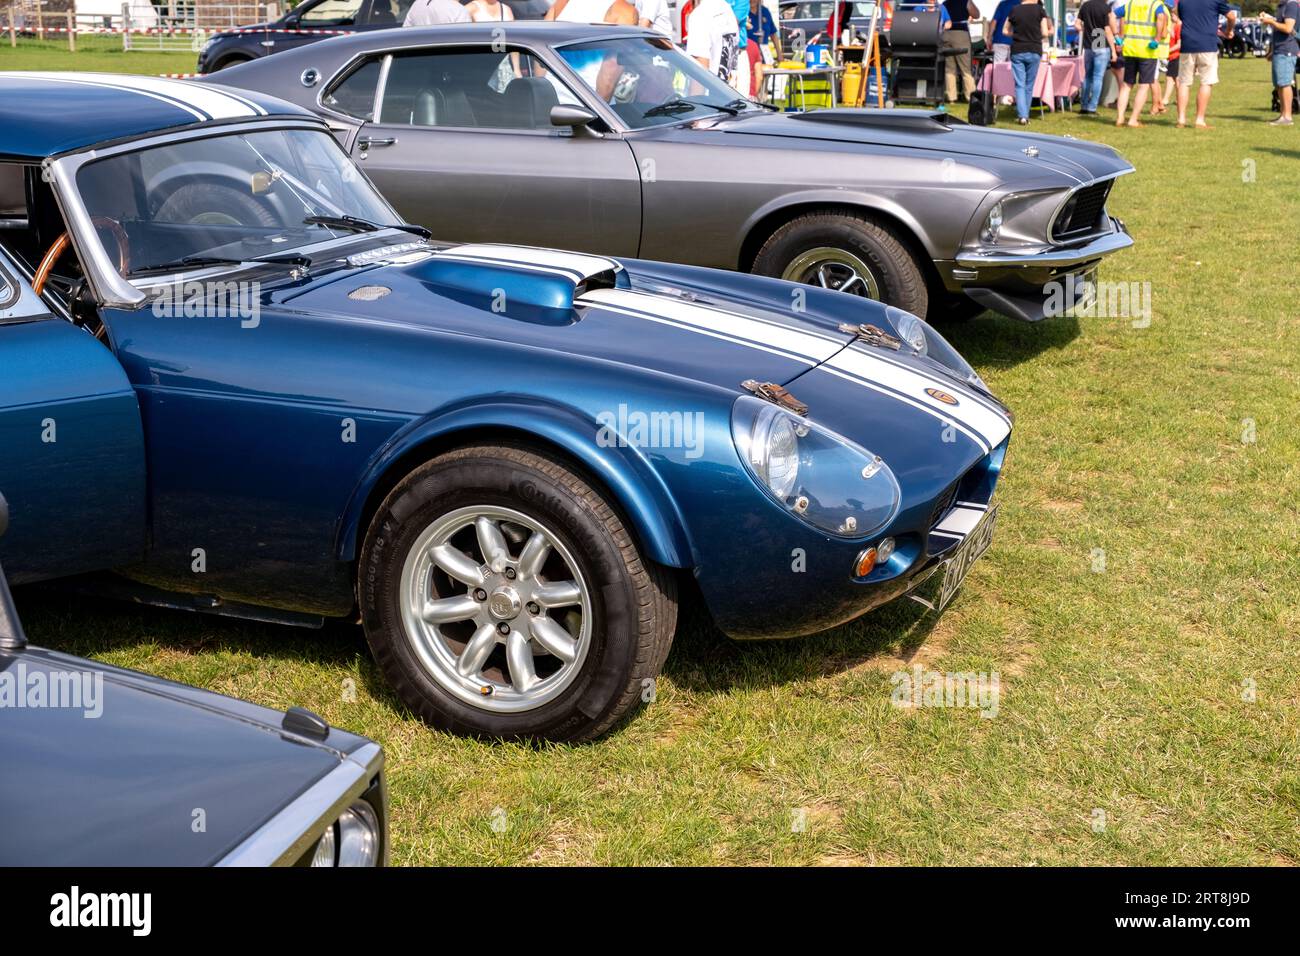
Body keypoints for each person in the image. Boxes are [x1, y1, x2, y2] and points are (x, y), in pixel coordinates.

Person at [1174, 0, 1234, 128]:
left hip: (1187, 43)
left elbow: (1181, 17)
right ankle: (1199, 120)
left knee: (1184, 82)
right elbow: (1231, 16)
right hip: (1207, 43)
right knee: (1206, 82)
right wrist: (1228, 30)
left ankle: (1181, 119)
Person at [1113, 0, 1169, 127]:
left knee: (1127, 85)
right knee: (1143, 86)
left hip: (1131, 49)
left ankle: (1120, 117)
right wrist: (1157, 38)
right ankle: (1133, 119)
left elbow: (1111, 15)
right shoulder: (1156, 5)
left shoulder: (1131, 4)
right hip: (1148, 50)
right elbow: (1161, 17)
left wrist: (1117, 36)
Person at [1004, 0, 1049, 124]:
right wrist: (1034, 36)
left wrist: (1017, 34)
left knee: (1020, 84)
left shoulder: (1014, 10)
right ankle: (1025, 115)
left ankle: (1023, 115)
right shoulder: (1040, 10)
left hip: (1017, 49)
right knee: (1029, 85)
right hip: (1034, 49)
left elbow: (1005, 31)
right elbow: (1045, 32)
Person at [686, 0, 741, 85]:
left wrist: (695, 97)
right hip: (729, 94)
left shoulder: (700, 15)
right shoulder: (727, 10)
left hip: (710, 94)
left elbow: (700, 74)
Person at [1077, 0, 1117, 113]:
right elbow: (1108, 29)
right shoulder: (1105, 8)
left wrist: (1084, 31)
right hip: (1101, 45)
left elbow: (1077, 24)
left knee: (1087, 77)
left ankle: (1084, 106)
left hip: (1089, 46)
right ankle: (1092, 107)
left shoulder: (1085, 6)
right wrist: (1113, 50)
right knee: (1098, 77)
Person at [1263, 2, 1299, 124]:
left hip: (1286, 49)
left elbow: (1288, 28)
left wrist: (1271, 22)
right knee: (1279, 84)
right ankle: (1283, 115)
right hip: (1279, 49)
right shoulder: (1282, 6)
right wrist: (1272, 51)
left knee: (1284, 83)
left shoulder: (1291, 5)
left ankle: (1287, 117)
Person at [943, 1, 980, 102]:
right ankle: (971, 97)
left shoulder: (945, 3)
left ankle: (951, 98)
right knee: (966, 68)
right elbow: (976, 15)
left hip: (946, 34)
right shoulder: (965, 1)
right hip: (961, 34)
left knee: (949, 68)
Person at [1154, 9, 1179, 115]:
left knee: (1172, 78)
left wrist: (1168, 50)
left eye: (1173, 15)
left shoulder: (1178, 26)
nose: (1172, 17)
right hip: (1172, 56)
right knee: (1173, 78)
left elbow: (1179, 44)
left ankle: (1165, 100)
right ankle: (1173, 99)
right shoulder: (1173, 26)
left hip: (1175, 55)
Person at [546, 0, 639, 25]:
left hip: (553, 72)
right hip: (580, 74)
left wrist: (540, 75)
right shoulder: (624, 11)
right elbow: (612, 64)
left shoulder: (562, 3)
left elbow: (543, 42)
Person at [404, 0, 470, 24]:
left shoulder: (416, 5)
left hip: (418, 54)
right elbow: (466, 41)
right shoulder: (459, 10)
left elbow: (404, 36)